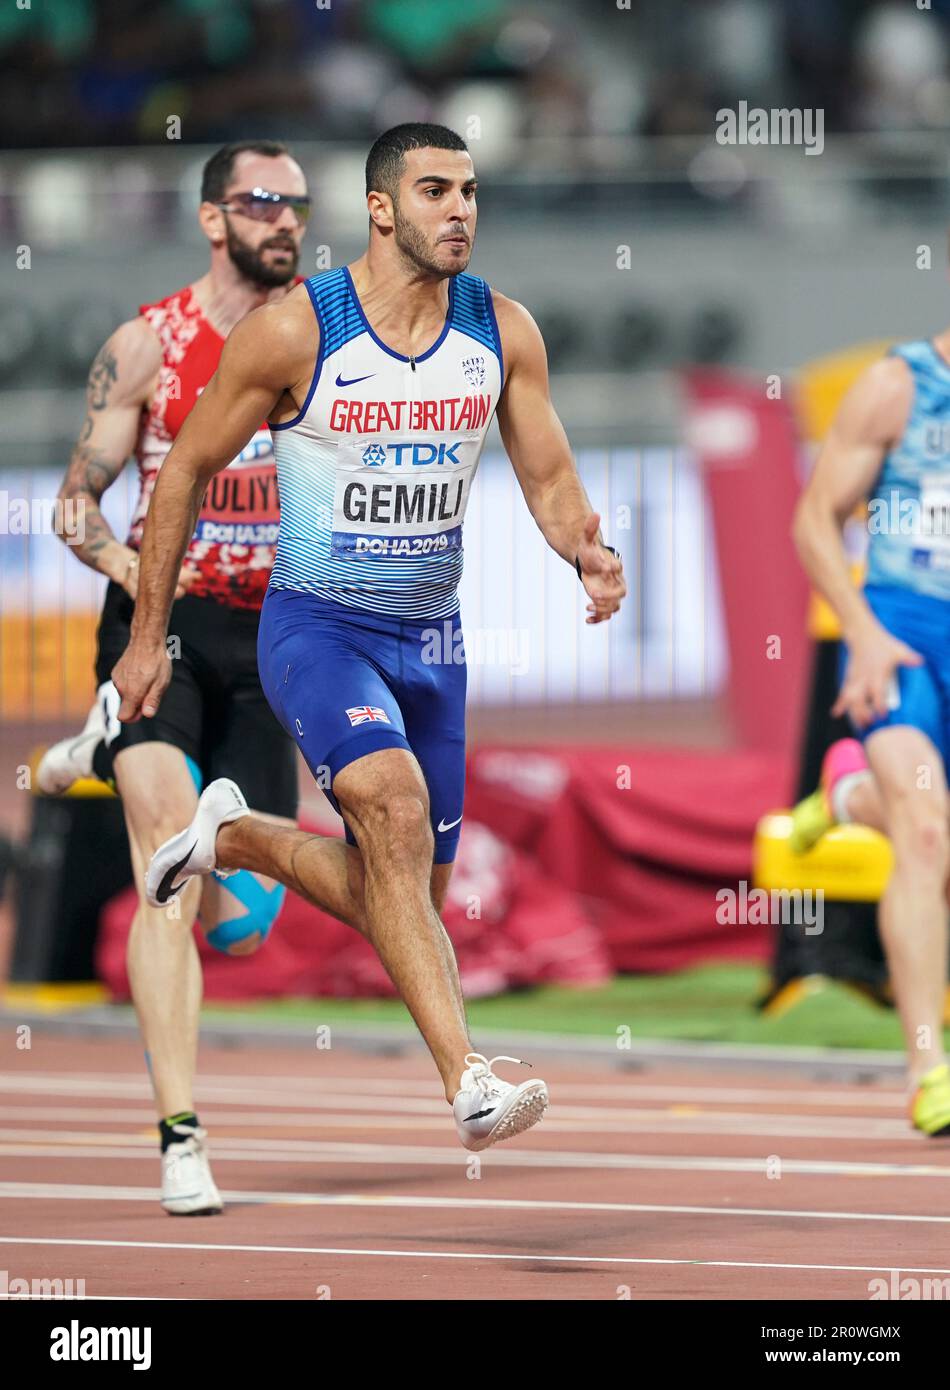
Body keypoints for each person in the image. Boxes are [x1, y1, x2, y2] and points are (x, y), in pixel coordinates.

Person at [113, 122, 627, 1152]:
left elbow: (546, 470)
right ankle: (467, 1081)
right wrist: (147, 638)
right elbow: (181, 474)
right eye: (436, 190)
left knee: (402, 900)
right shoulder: (298, 331)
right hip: (317, 629)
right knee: (389, 813)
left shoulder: (499, 328)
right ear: (382, 208)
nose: (461, 210)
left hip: (432, 645)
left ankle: (237, 834)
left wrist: (585, 549)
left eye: (472, 190)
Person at [38, 140, 311, 1210]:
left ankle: (94, 746)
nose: (284, 220)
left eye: (296, 204)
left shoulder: (322, 343)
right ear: (212, 218)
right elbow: (74, 505)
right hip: (162, 625)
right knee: (165, 865)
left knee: (239, 911)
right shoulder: (150, 344)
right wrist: (136, 571)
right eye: (261, 202)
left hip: (273, 637)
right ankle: (180, 1138)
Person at [792, 332, 950, 1135]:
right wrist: (860, 632)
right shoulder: (899, 386)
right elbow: (816, 518)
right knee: (927, 836)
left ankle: (848, 793)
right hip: (906, 640)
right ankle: (930, 1068)